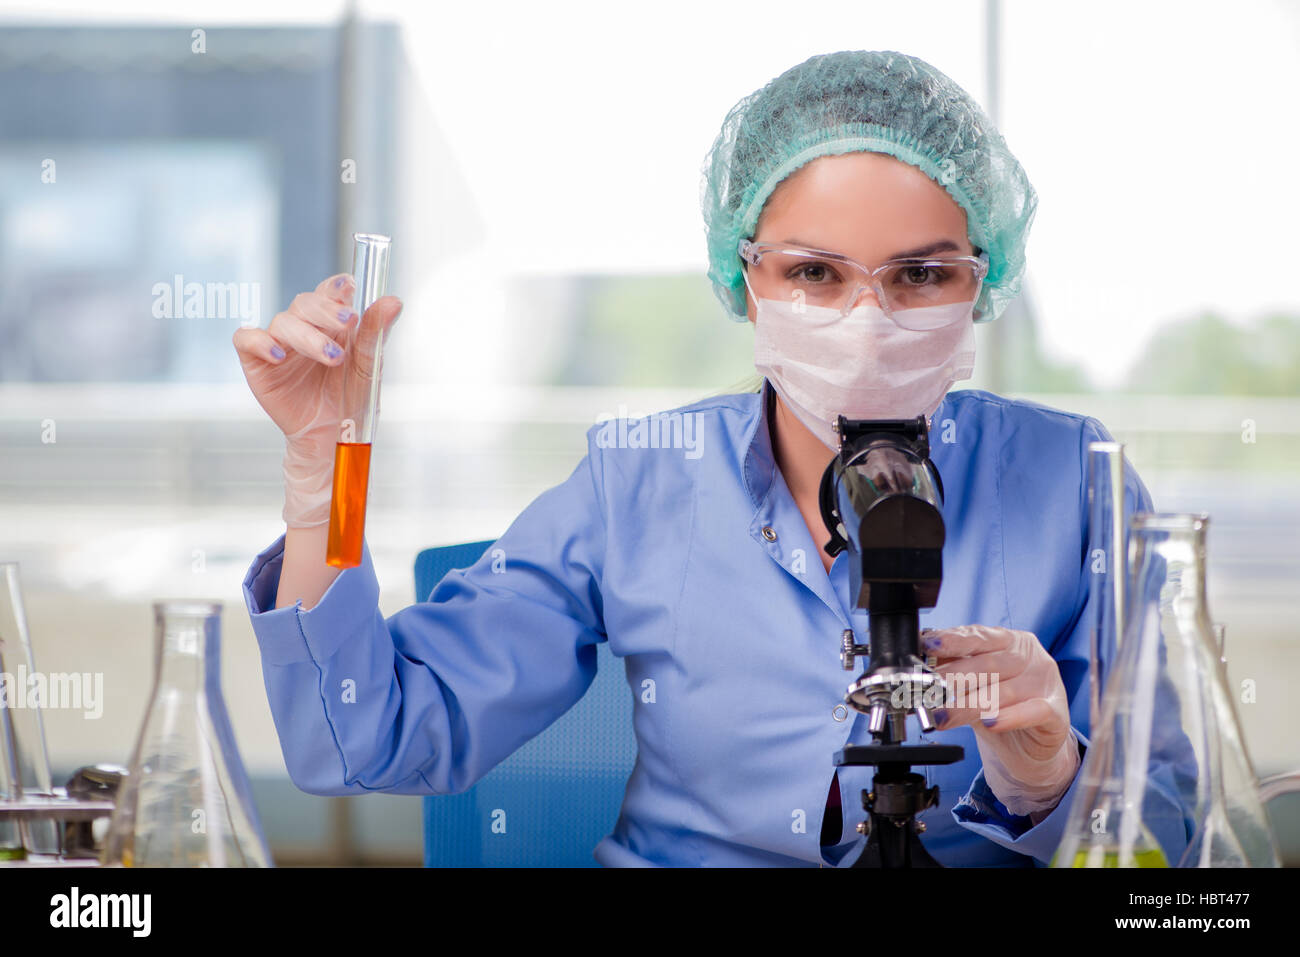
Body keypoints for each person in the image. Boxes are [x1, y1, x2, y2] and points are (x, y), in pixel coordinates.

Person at [231, 50, 1167, 867]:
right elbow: (360, 737)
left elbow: (1186, 847)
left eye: (921, 274)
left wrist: (1056, 776)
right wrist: (327, 476)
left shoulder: (1079, 482)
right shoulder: (642, 478)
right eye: (814, 271)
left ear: (986, 275)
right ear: (744, 275)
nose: (867, 319)